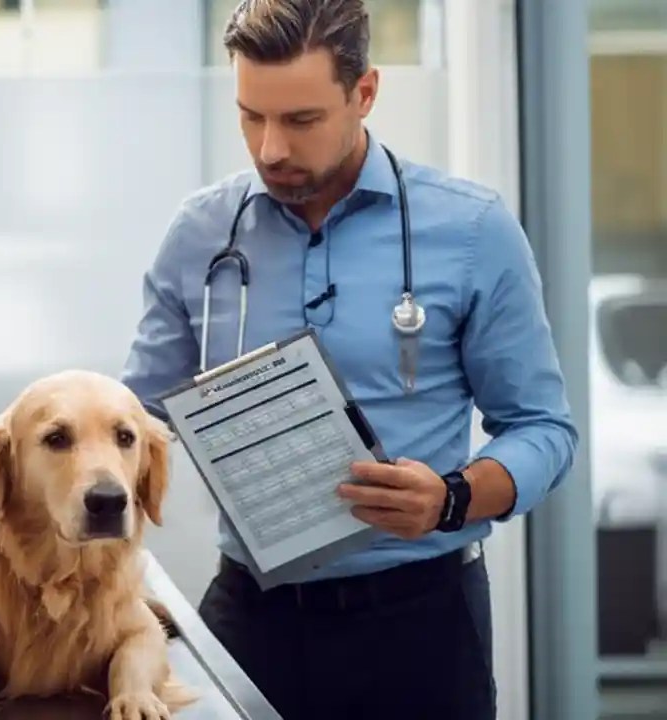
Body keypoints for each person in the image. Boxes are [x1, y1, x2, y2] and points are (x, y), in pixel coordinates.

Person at [120, 2, 578, 719]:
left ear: (364, 93)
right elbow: (130, 419)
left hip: (422, 623)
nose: (269, 148)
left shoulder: (472, 231)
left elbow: (545, 430)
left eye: (300, 120)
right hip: (251, 613)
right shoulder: (200, 234)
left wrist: (451, 496)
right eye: (251, 116)